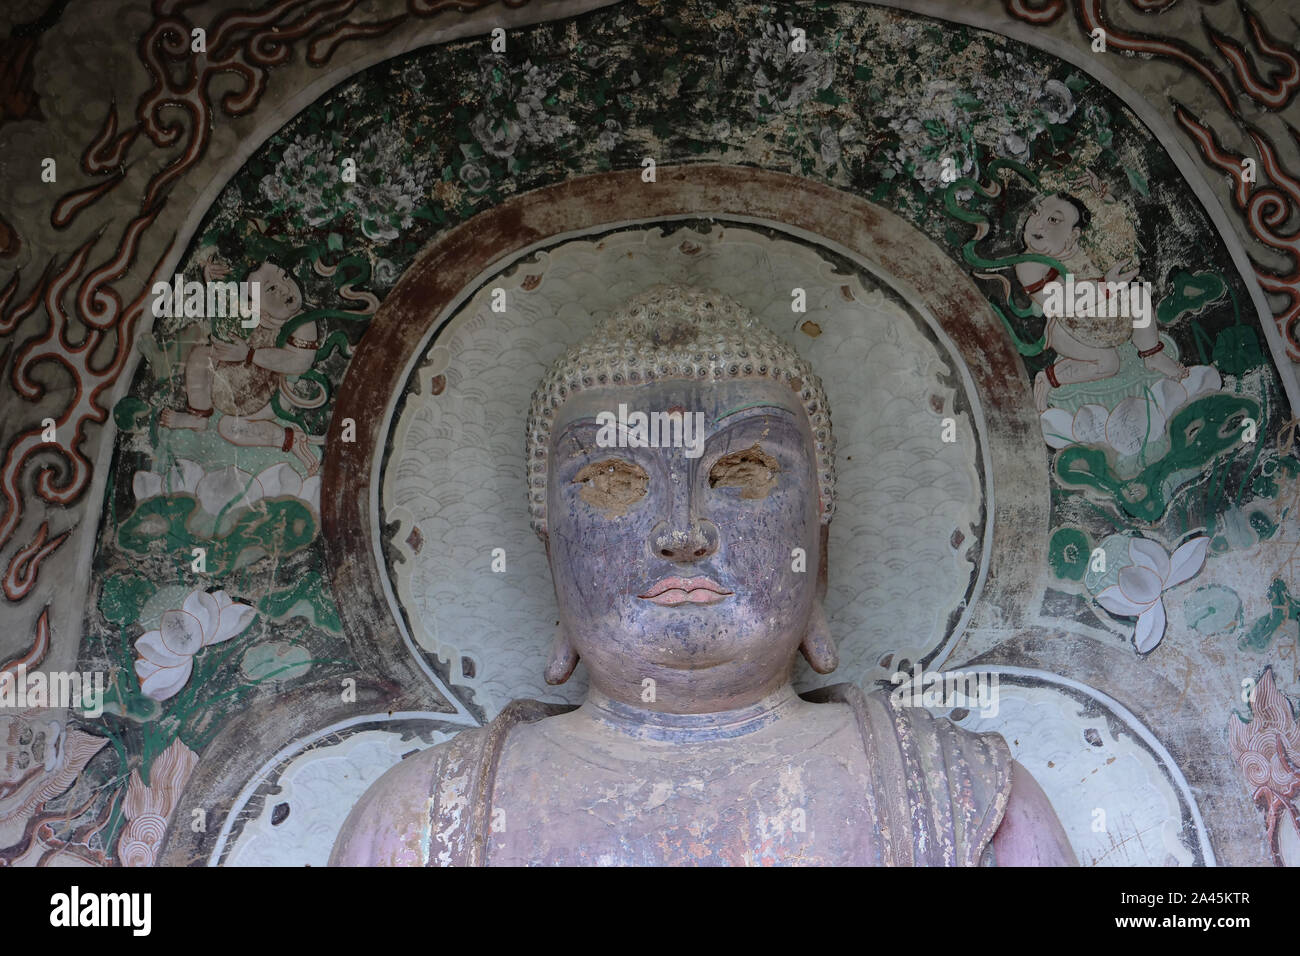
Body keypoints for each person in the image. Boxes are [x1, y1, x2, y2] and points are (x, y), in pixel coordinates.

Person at [331, 285, 1076, 866]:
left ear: (819, 538)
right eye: (614, 482)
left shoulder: (967, 802)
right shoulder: (421, 821)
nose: (683, 532)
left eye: (741, 473)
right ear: (548, 544)